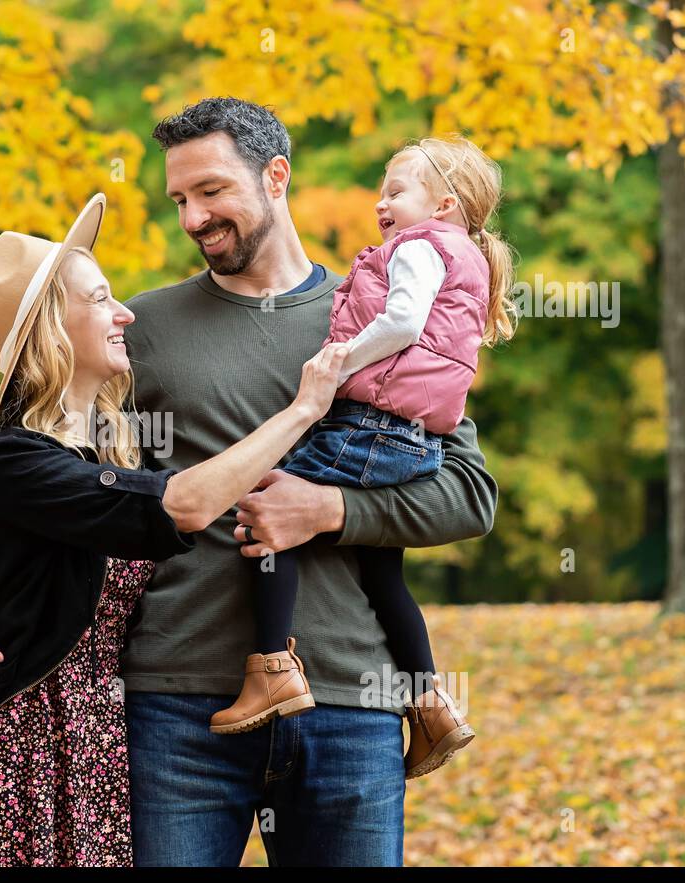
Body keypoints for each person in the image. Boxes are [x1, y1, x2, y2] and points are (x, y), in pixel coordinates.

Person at [0, 97, 498, 866]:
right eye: (179, 200)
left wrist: (328, 509)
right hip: (175, 706)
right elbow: (45, 470)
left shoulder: (376, 315)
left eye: (212, 191)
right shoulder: (141, 331)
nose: (194, 217)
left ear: (276, 177)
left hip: (349, 702)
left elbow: (468, 492)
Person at [0, 191, 349, 865]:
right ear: (49, 332)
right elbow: (182, 506)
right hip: (20, 758)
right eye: (97, 300)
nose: (125, 312)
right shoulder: (12, 460)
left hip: (95, 748)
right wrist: (303, 410)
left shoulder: (112, 448)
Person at [214, 135, 517, 784]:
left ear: (444, 203)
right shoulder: (461, 257)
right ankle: (429, 704)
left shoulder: (419, 247)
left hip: (374, 421)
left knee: (270, 511)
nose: (382, 202)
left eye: (397, 190)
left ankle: (271, 667)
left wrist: (335, 364)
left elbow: (403, 323)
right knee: (381, 569)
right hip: (410, 433)